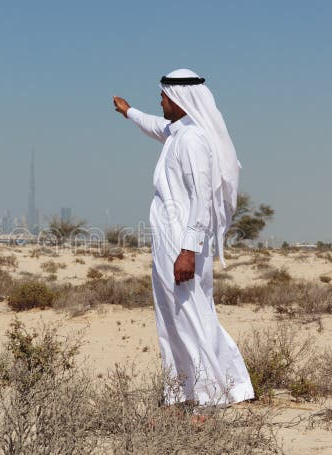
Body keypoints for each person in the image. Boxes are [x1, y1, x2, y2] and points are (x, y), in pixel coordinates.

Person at [113, 69, 255, 407]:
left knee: (190, 316)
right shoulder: (178, 134)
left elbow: (201, 196)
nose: (160, 100)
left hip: (182, 241)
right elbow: (155, 125)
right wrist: (128, 112)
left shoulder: (191, 140)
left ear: (179, 99)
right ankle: (189, 392)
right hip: (171, 240)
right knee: (175, 317)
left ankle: (209, 395)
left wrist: (187, 250)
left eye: (163, 95)